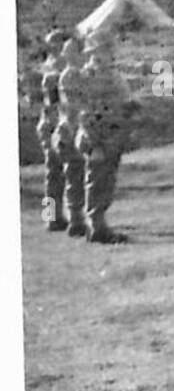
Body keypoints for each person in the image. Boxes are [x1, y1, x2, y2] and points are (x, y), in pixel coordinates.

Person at [70, 31, 134, 244]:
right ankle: (63, 220)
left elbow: (124, 103)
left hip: (111, 136)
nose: (109, 53)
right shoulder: (87, 77)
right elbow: (83, 112)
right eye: (104, 49)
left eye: (109, 49)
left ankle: (92, 223)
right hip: (95, 136)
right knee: (86, 181)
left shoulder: (111, 74)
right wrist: (93, 141)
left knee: (105, 181)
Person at [34, 29, 70, 231]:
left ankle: (55, 216)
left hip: (51, 123)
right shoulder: (54, 70)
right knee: (56, 173)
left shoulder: (51, 67)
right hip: (53, 125)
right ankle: (54, 216)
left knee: (55, 174)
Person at [54, 35, 88, 236]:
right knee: (56, 180)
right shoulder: (67, 74)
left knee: (63, 178)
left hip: (60, 128)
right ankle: (52, 217)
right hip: (62, 129)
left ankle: (58, 218)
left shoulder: (68, 72)